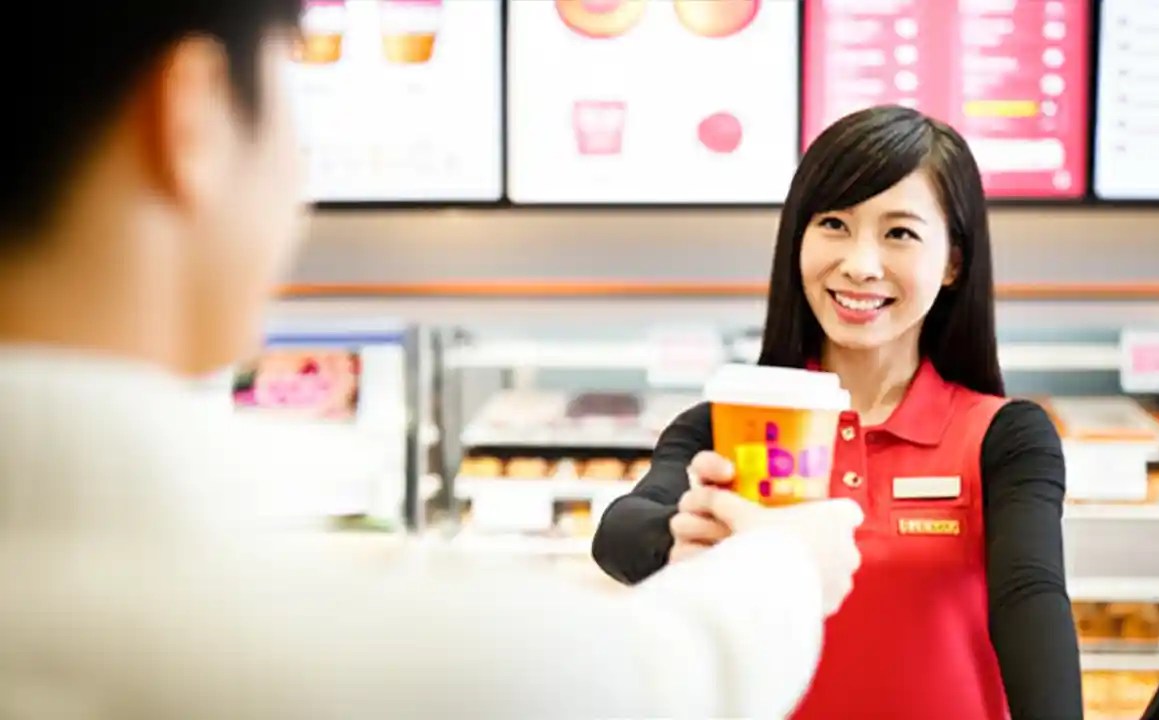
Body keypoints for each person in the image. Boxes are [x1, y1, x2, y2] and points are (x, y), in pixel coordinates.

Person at [0, 3, 866, 718]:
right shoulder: (329, 662)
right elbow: (660, 680)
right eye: (289, 84)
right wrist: (788, 558)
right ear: (189, 121)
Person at [593, 105, 1084, 720]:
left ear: (954, 260)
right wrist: (677, 542)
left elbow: (1030, 595)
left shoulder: (1003, 436)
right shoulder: (730, 422)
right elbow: (618, 531)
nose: (860, 264)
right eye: (834, 224)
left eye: (899, 233)